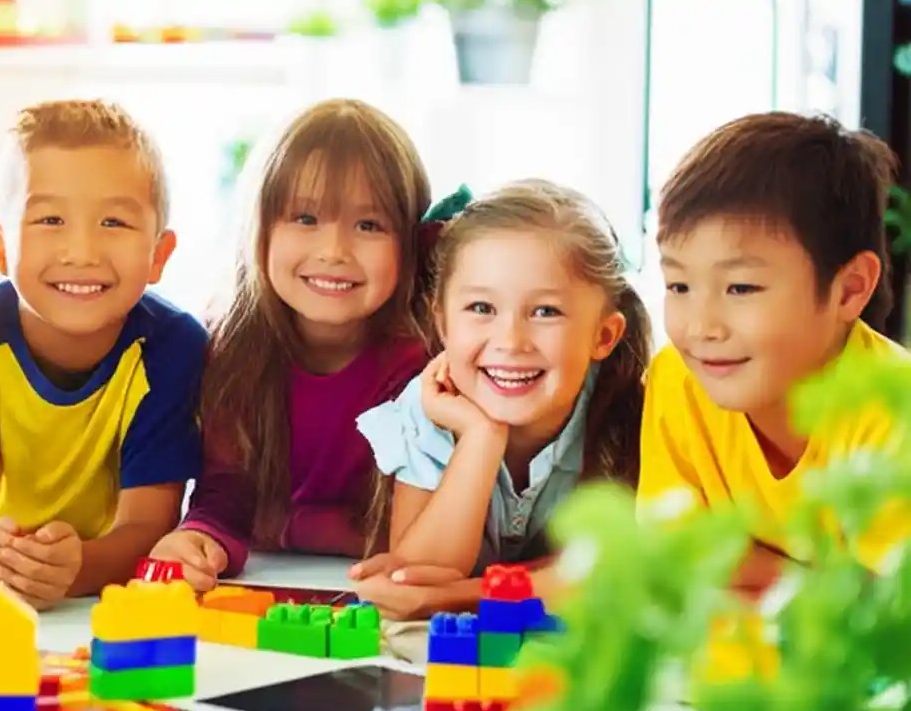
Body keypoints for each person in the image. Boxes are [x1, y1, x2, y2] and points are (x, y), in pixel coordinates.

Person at [0, 100, 205, 609]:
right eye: (50, 219)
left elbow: (148, 526)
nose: (81, 251)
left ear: (159, 255)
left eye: (114, 223)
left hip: (103, 603)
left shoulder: (173, 347)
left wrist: (76, 572)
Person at [149, 99, 435, 590]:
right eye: (305, 218)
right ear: (259, 229)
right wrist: (198, 538)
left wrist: (284, 524)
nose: (334, 251)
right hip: (274, 584)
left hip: (378, 591)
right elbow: (228, 495)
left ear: (410, 244)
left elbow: (407, 532)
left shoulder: (424, 362)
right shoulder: (230, 343)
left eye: (369, 225)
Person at [351, 180, 650, 619]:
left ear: (603, 336)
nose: (510, 341)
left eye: (545, 312)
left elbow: (612, 570)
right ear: (443, 323)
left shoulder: (626, 409)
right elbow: (415, 574)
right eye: (481, 309)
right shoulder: (432, 406)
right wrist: (481, 437)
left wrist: (466, 593)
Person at [638, 111, 910, 588]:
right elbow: (670, 556)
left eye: (740, 288)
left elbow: (881, 613)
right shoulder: (680, 378)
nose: (701, 328)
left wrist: (746, 564)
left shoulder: (894, 410)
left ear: (849, 290)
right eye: (678, 285)